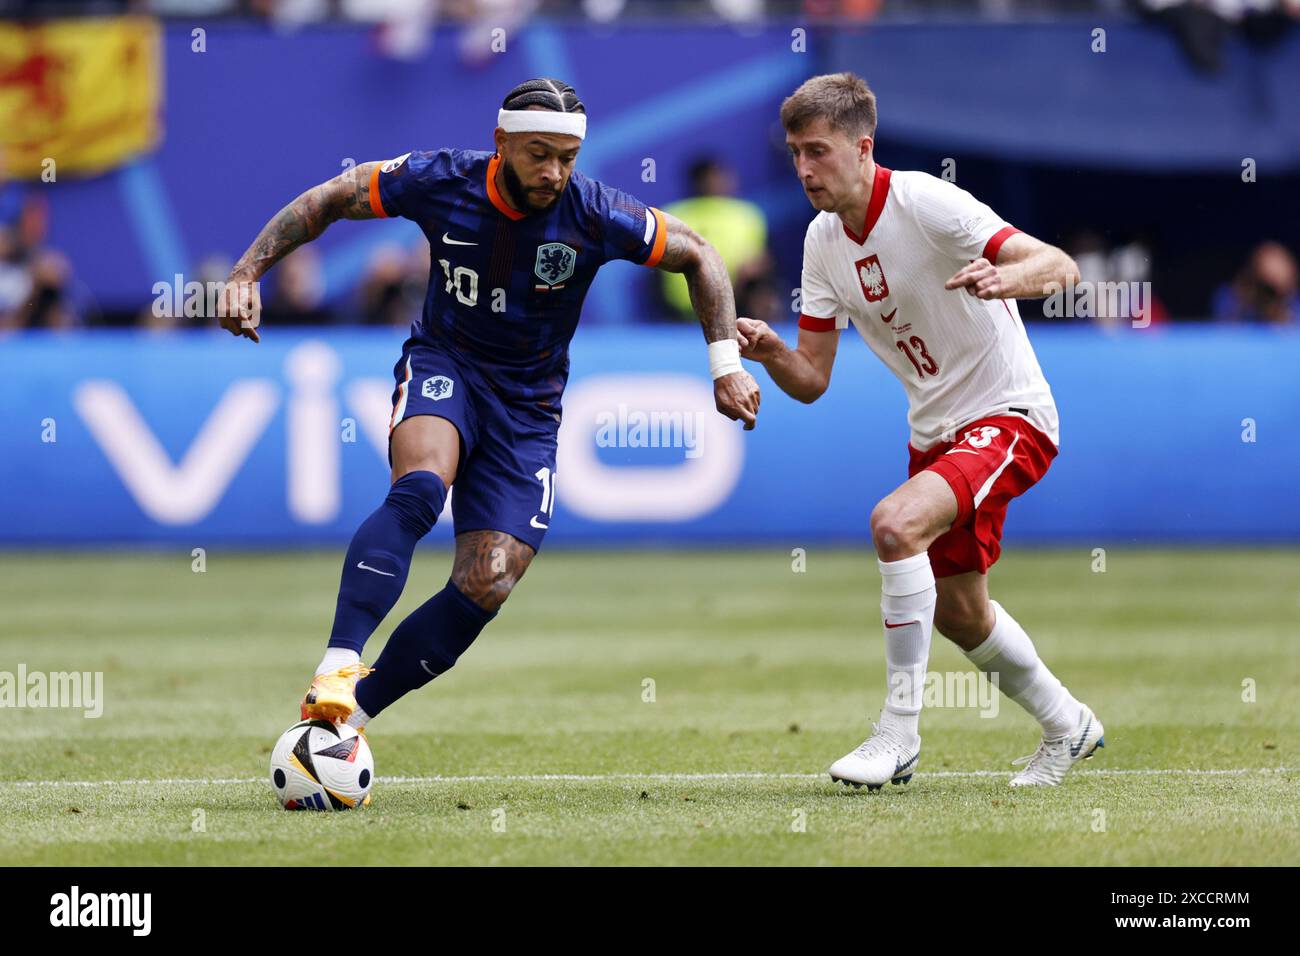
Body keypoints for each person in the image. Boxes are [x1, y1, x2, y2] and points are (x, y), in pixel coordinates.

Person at [217, 78, 760, 737]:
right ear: (499, 142)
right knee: (420, 488)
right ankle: (337, 661)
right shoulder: (440, 179)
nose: (554, 171)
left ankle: (346, 718)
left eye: (567, 157)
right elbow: (334, 197)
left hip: (528, 408)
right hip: (447, 364)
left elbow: (699, 254)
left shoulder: (596, 212)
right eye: (538, 153)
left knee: (491, 579)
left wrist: (724, 366)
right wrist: (248, 272)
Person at [738, 72, 1102, 789]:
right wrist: (774, 350)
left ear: (862, 147)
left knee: (894, 524)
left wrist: (1010, 279)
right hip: (937, 434)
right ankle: (1068, 725)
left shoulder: (925, 202)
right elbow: (812, 379)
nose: (804, 169)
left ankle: (897, 734)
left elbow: (1056, 265)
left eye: (817, 151)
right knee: (963, 615)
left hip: (1010, 415)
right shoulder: (820, 242)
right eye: (795, 154)